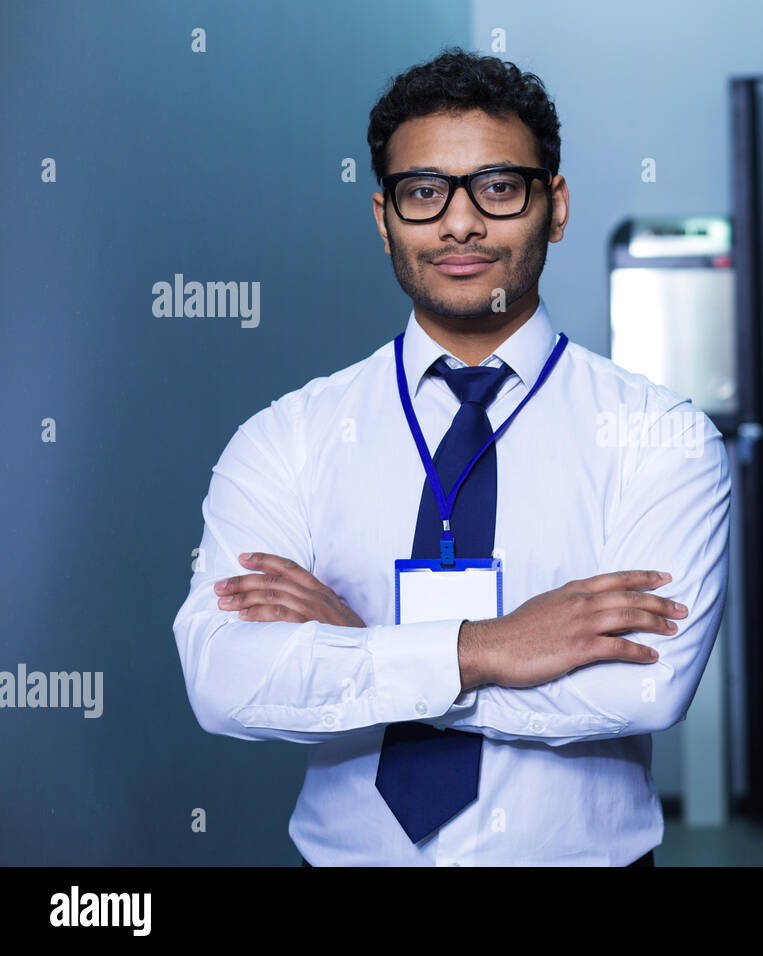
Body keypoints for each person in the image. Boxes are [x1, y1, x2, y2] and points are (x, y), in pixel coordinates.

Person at [171, 47, 731, 866]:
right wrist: (487, 647)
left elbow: (645, 686)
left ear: (557, 205)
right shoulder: (285, 437)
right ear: (383, 218)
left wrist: (366, 651)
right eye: (423, 191)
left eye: (498, 187)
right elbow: (226, 681)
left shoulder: (662, 436)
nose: (459, 222)